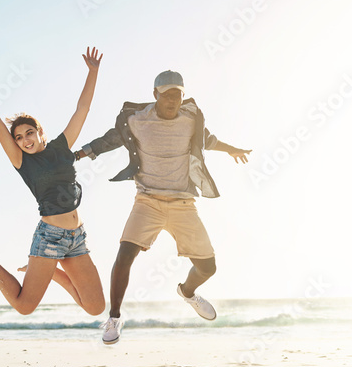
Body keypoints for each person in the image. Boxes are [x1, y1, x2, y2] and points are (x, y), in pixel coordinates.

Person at [75, 70, 251, 344]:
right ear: (155, 94)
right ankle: (115, 318)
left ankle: (187, 293)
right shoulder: (138, 119)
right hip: (148, 201)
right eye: (166, 94)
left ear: (183, 95)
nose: (172, 100)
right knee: (124, 255)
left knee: (208, 267)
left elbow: (208, 139)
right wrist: (80, 152)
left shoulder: (191, 120)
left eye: (177, 95)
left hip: (184, 204)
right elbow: (111, 139)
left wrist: (232, 150)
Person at [0, 49, 106, 317]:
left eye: (29, 133)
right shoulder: (21, 161)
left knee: (96, 308)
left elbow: (82, 108)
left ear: (39, 133)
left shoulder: (61, 147)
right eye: (19, 137)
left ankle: (55, 275)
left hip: (77, 236)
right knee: (24, 306)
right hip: (50, 238)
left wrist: (92, 71)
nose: (25, 140)